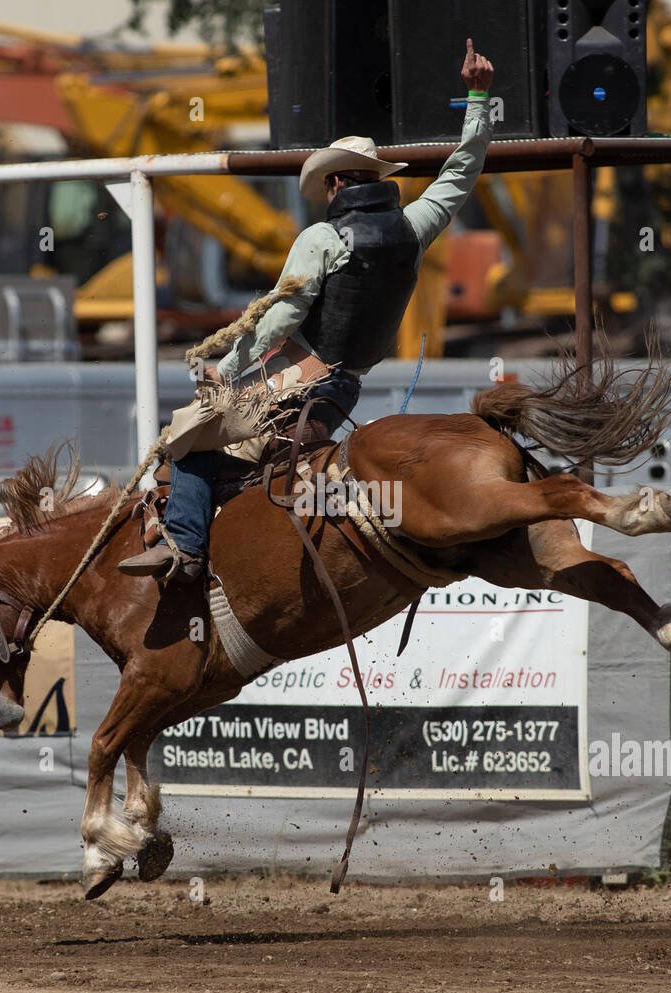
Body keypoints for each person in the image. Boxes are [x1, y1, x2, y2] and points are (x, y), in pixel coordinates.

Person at [119, 38, 495, 584]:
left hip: (300, 380)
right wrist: (479, 98)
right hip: (345, 392)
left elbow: (279, 320)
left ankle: (187, 549)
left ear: (337, 183)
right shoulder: (416, 227)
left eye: (327, 185)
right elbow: (462, 173)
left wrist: (222, 377)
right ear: (377, 180)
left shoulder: (322, 236)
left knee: (186, 440)